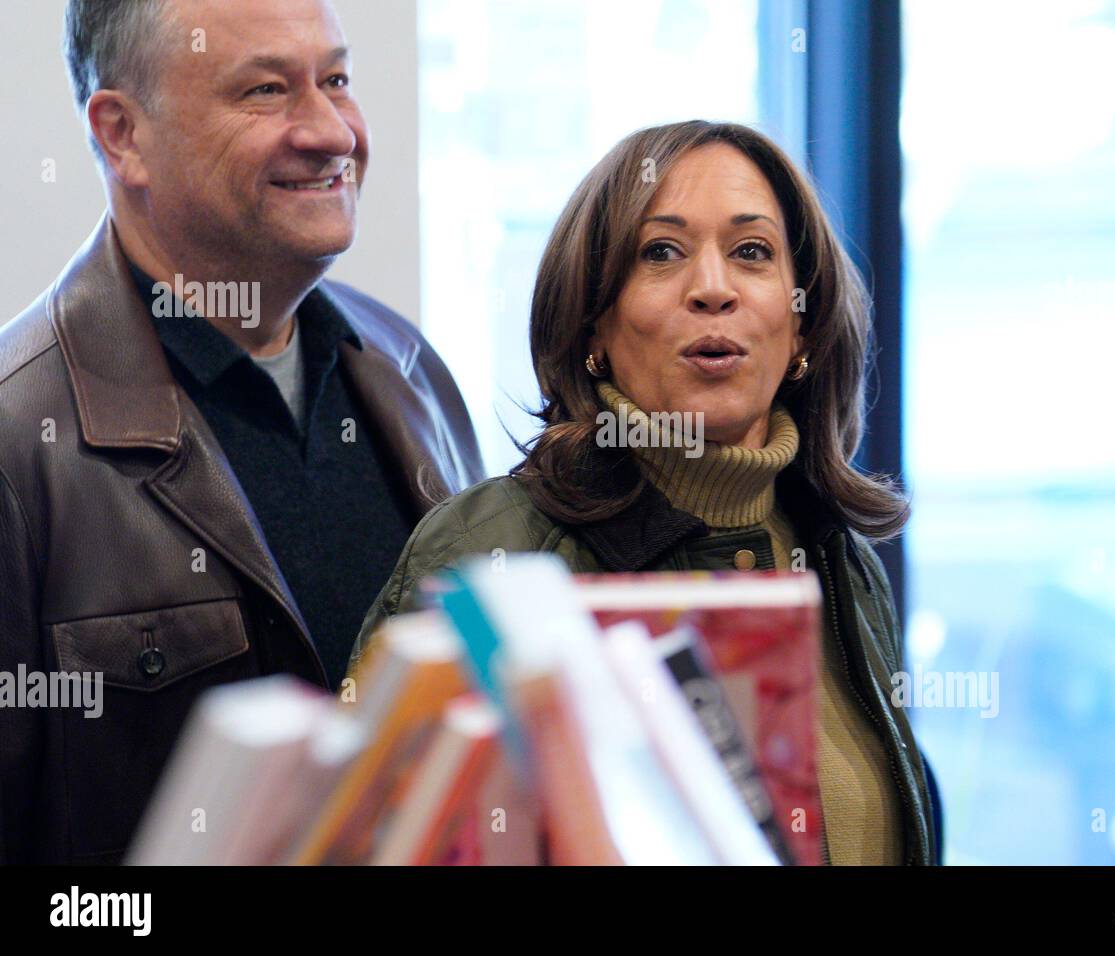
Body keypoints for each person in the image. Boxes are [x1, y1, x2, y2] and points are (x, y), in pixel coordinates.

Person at [354, 120, 943, 865]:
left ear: (801, 329)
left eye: (752, 253)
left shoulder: (841, 560)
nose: (713, 288)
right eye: (661, 252)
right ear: (593, 322)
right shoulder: (487, 551)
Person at [0, 0, 482, 864]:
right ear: (122, 135)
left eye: (335, 79)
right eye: (266, 90)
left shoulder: (412, 374)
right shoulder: (15, 443)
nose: (332, 131)